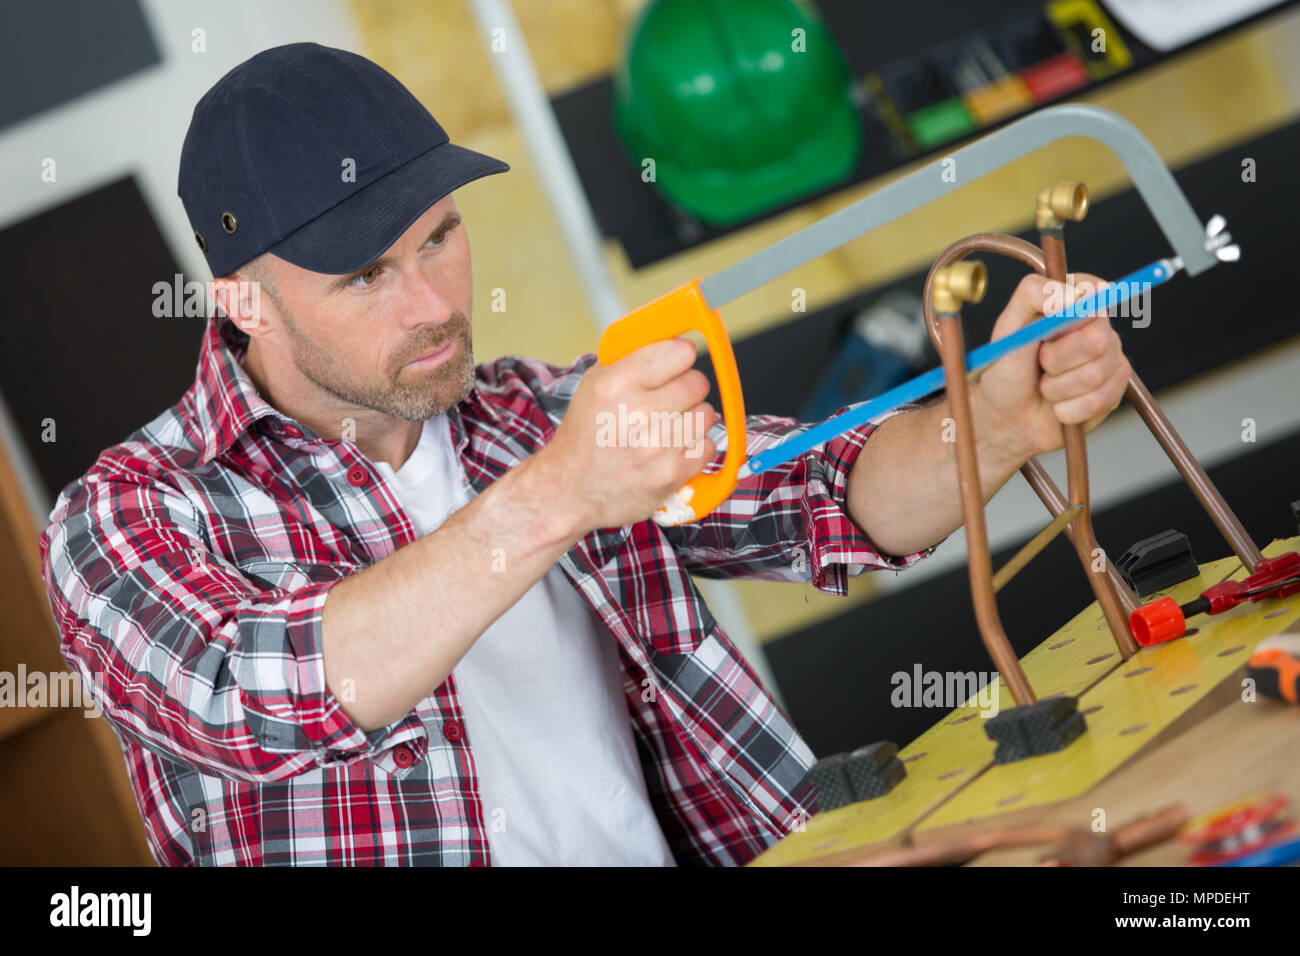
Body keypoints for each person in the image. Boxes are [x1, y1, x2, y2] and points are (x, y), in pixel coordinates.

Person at [38, 43, 1129, 866]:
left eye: (440, 237)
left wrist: (992, 423)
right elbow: (259, 698)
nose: (432, 305)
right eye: (366, 276)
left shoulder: (532, 407)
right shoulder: (128, 516)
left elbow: (822, 496)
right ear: (240, 300)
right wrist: (555, 493)